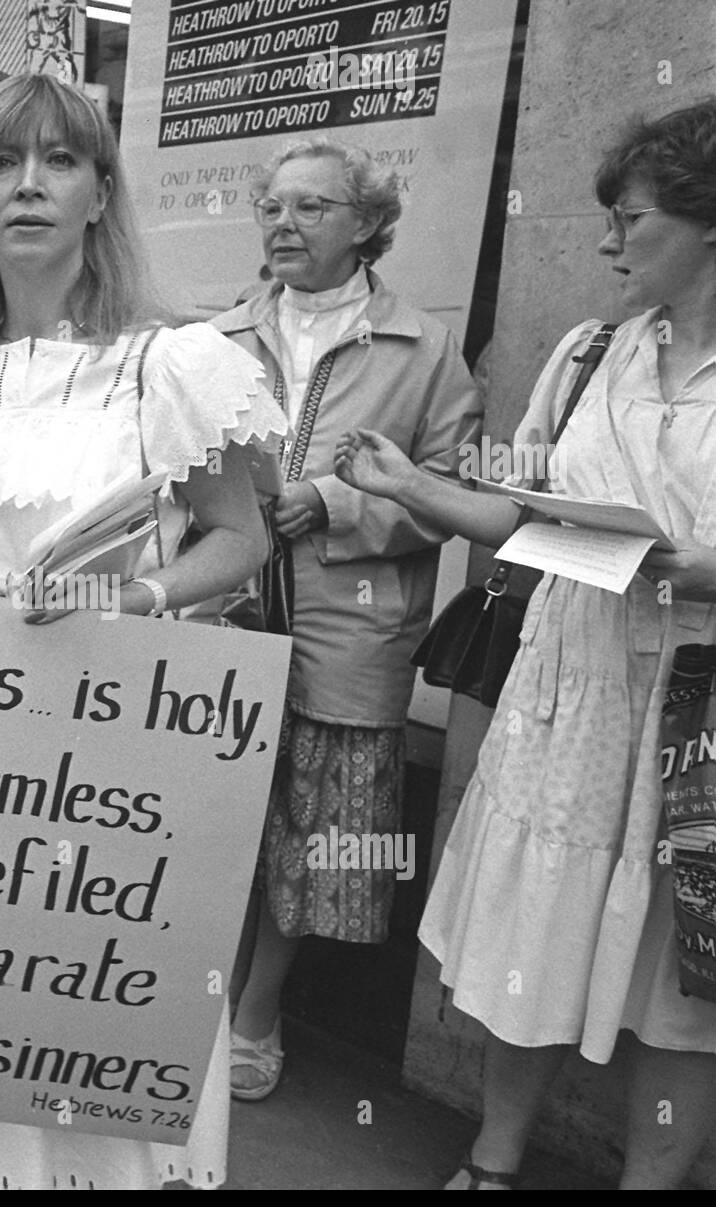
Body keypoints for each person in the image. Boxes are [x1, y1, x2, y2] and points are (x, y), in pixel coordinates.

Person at [0, 72, 284, 1190]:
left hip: (114, 750)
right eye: (1, 163)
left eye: (60, 160)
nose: (29, 185)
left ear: (101, 192)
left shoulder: (169, 363)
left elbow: (241, 539)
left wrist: (127, 600)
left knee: (90, 997)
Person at [334, 99, 716, 1190]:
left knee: (688, 966)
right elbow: (527, 512)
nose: (605, 243)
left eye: (630, 219)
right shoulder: (591, 353)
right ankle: (494, 1163)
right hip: (575, 683)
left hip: (697, 705)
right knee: (536, 930)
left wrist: (698, 570)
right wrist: (410, 486)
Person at [213, 139, 482, 1101]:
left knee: (310, 833)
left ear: (367, 223)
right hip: (227, 614)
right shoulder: (222, 335)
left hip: (350, 630)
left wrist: (335, 503)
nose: (283, 224)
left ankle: (257, 1013)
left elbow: (456, 492)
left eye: (311, 207)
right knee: (218, 814)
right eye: (272, 207)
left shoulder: (423, 345)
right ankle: (198, 996)